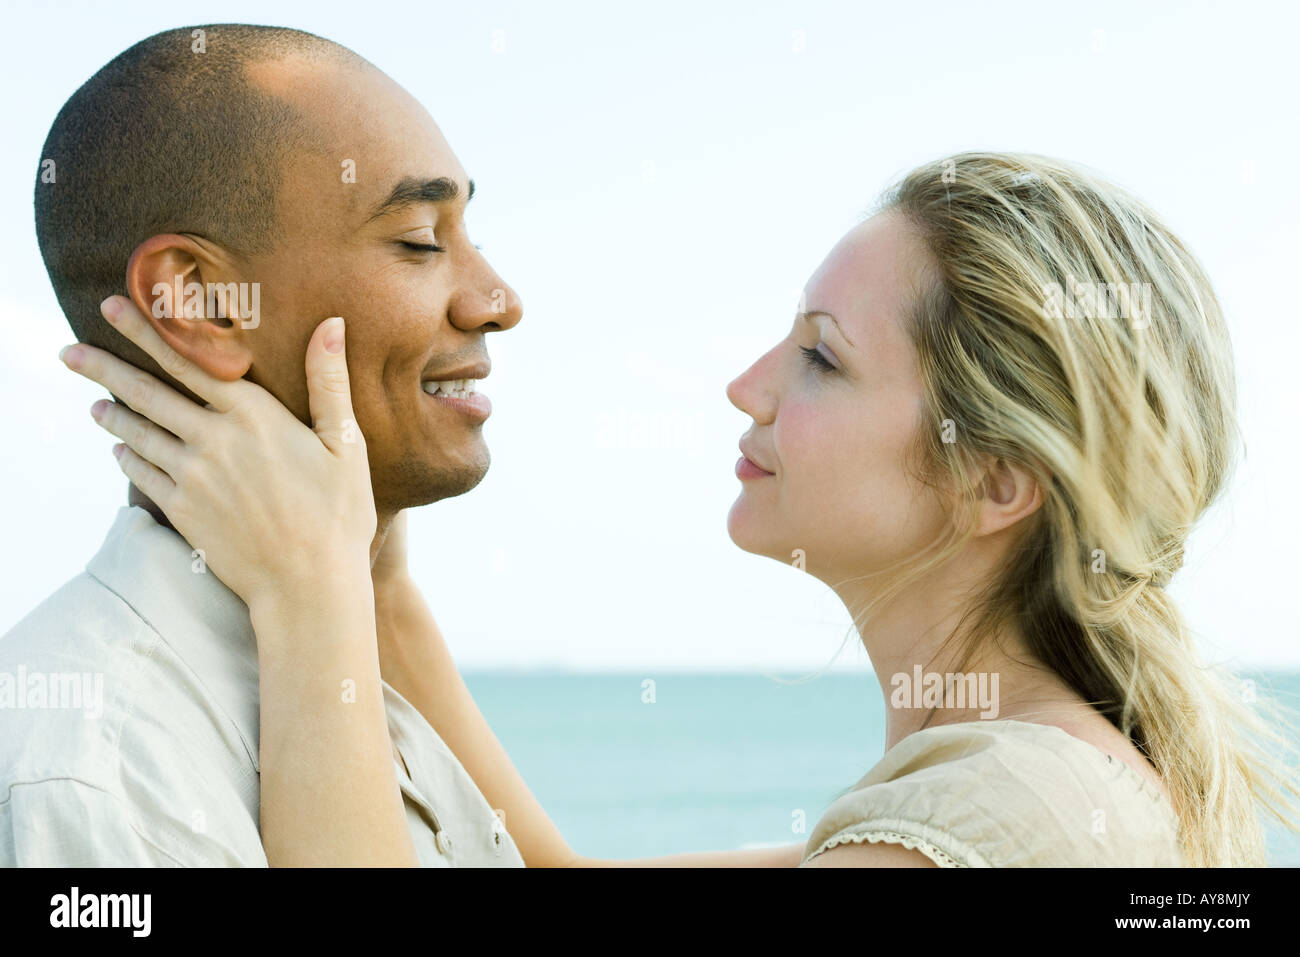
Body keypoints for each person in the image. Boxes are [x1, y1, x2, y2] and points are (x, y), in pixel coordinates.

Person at [60, 151, 1300, 866]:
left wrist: (303, 595)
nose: (745, 385)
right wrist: (375, 577)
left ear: (995, 482)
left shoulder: (1008, 818)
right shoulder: (1023, 773)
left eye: (820, 357)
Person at [1, 23, 532, 866]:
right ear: (203, 302)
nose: (500, 299)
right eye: (421, 241)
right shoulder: (100, 780)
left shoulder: (345, 651)